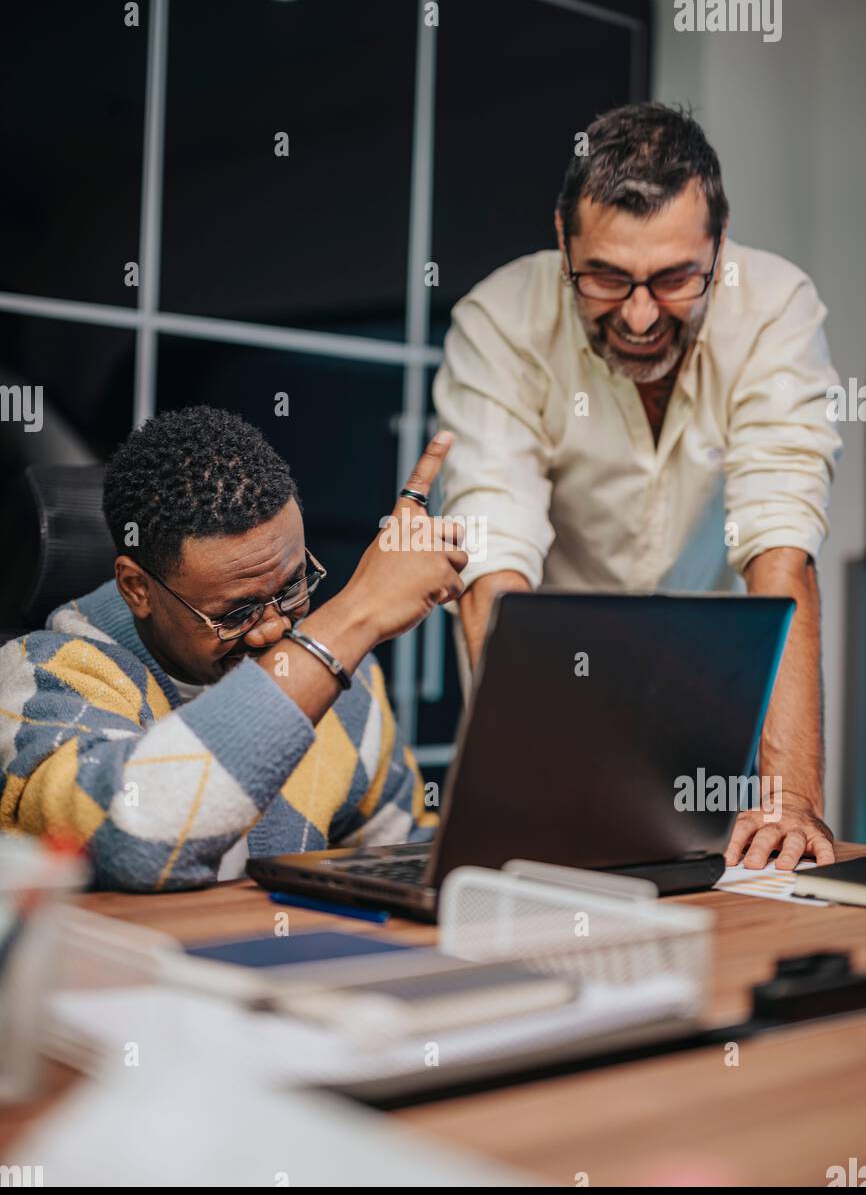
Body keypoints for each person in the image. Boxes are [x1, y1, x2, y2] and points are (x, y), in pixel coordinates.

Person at [434, 101, 840, 872]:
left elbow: (779, 547)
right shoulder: (499, 321)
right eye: (608, 279)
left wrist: (788, 797)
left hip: (708, 695)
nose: (642, 316)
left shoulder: (774, 307)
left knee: (730, 902)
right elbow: (494, 561)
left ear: (718, 247)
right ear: (564, 240)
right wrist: (539, 788)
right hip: (543, 687)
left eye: (675, 279)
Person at [0, 407, 466, 890]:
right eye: (235, 613)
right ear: (137, 588)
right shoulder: (40, 683)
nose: (272, 631)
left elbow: (405, 864)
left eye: (292, 588)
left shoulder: (345, 679)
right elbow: (134, 842)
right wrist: (354, 617)